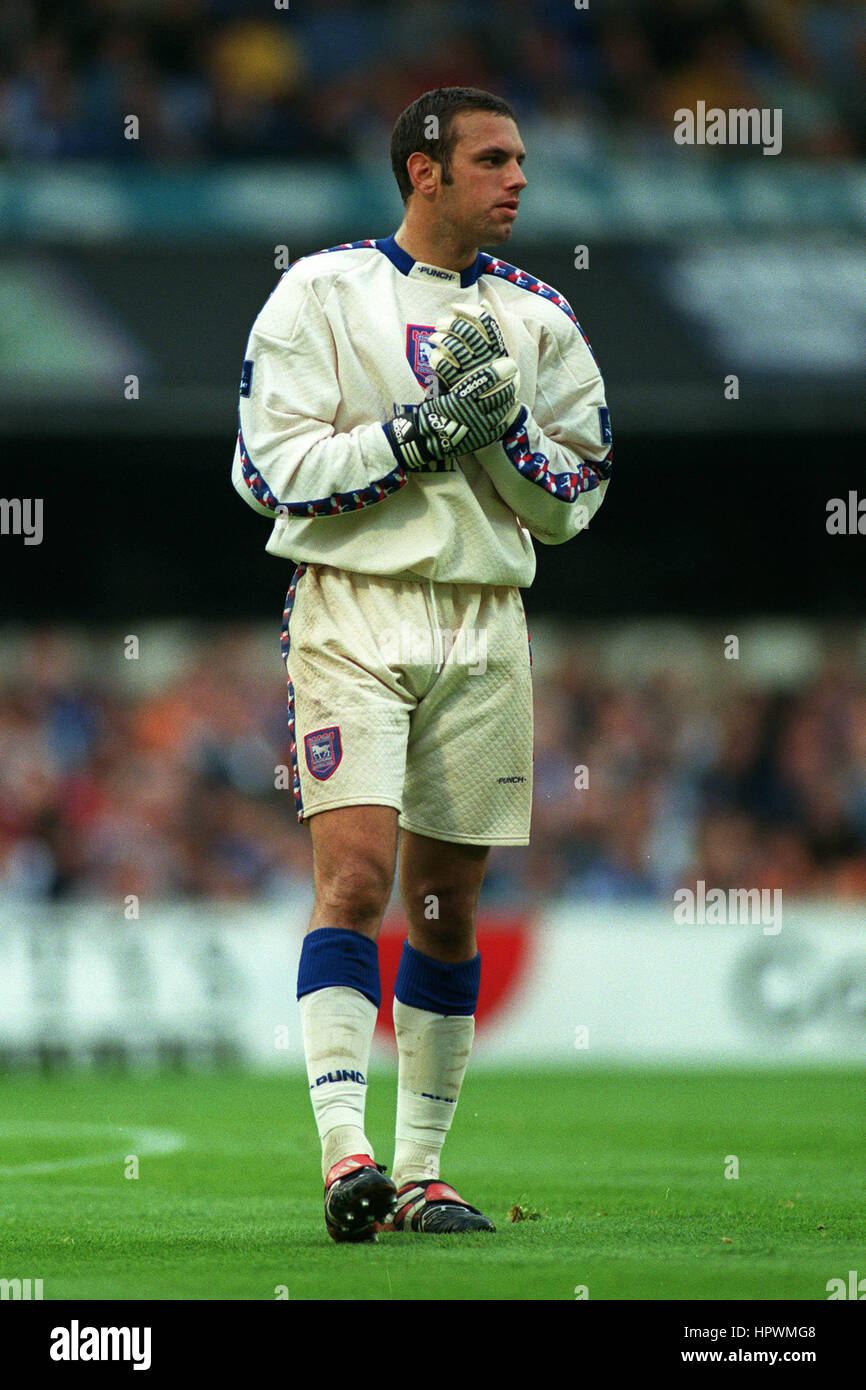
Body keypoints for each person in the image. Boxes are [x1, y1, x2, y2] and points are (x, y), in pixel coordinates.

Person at [231, 86, 612, 1241]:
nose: (518, 180)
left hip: (484, 617)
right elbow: (265, 470)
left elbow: (578, 495)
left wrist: (500, 434)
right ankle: (346, 1156)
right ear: (422, 171)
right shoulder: (319, 293)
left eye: (523, 160)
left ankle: (421, 1172)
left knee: (445, 907)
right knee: (352, 876)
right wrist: (413, 436)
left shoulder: (539, 318)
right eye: (493, 159)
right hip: (354, 605)